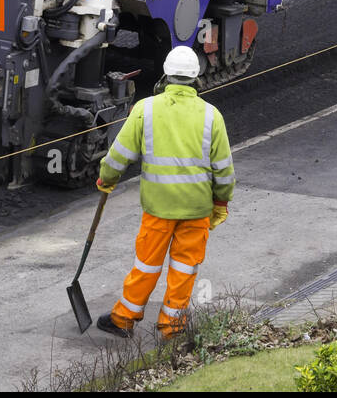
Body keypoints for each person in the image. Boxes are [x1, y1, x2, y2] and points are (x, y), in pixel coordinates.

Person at [94, 46, 235, 340]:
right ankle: (172, 326)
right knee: (184, 268)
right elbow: (224, 170)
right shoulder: (212, 116)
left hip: (158, 209)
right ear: (196, 78)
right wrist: (220, 202)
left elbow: (119, 154)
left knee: (146, 265)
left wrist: (106, 178)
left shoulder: (145, 109)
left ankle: (124, 318)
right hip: (197, 210)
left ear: (166, 76)